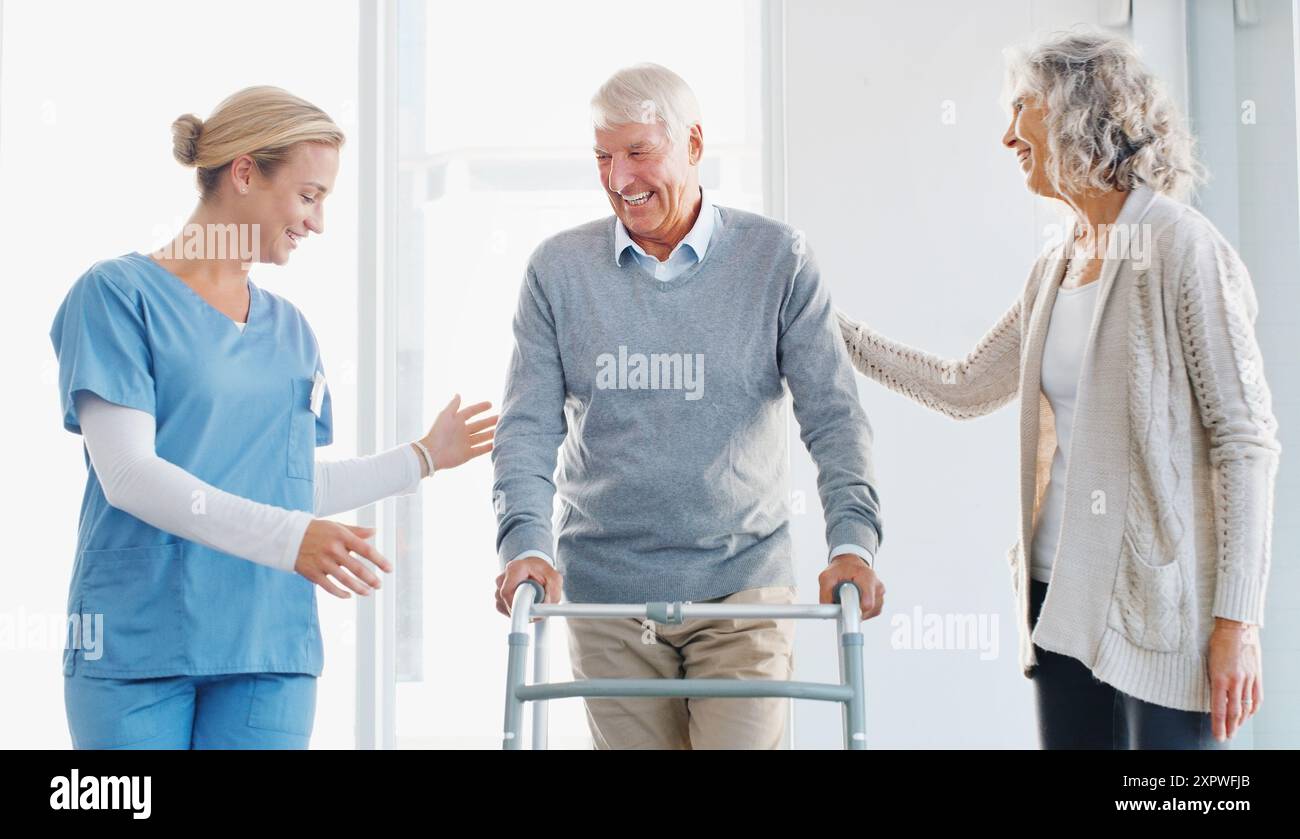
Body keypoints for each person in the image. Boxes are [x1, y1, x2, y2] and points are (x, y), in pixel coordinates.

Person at [837, 31, 1278, 748]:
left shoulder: (1180, 247)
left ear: (1079, 109)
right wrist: (828, 329)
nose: (1006, 134)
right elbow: (962, 386)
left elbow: (1247, 440)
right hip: (1055, 601)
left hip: (1158, 615)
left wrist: (1238, 619)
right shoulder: (1057, 262)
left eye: (1020, 107)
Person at [50, 86, 497, 749]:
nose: (317, 221)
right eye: (309, 195)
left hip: (268, 650)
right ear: (243, 171)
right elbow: (128, 476)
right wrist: (294, 539)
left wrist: (422, 457)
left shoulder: (291, 333)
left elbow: (280, 485)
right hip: (135, 647)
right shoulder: (117, 296)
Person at [491, 64, 884, 749]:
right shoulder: (557, 272)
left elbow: (833, 414)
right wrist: (525, 544)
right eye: (602, 157)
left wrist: (852, 540)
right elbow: (526, 429)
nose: (619, 178)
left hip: (741, 582)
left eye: (638, 153)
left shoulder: (777, 260)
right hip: (610, 590)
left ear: (694, 144)